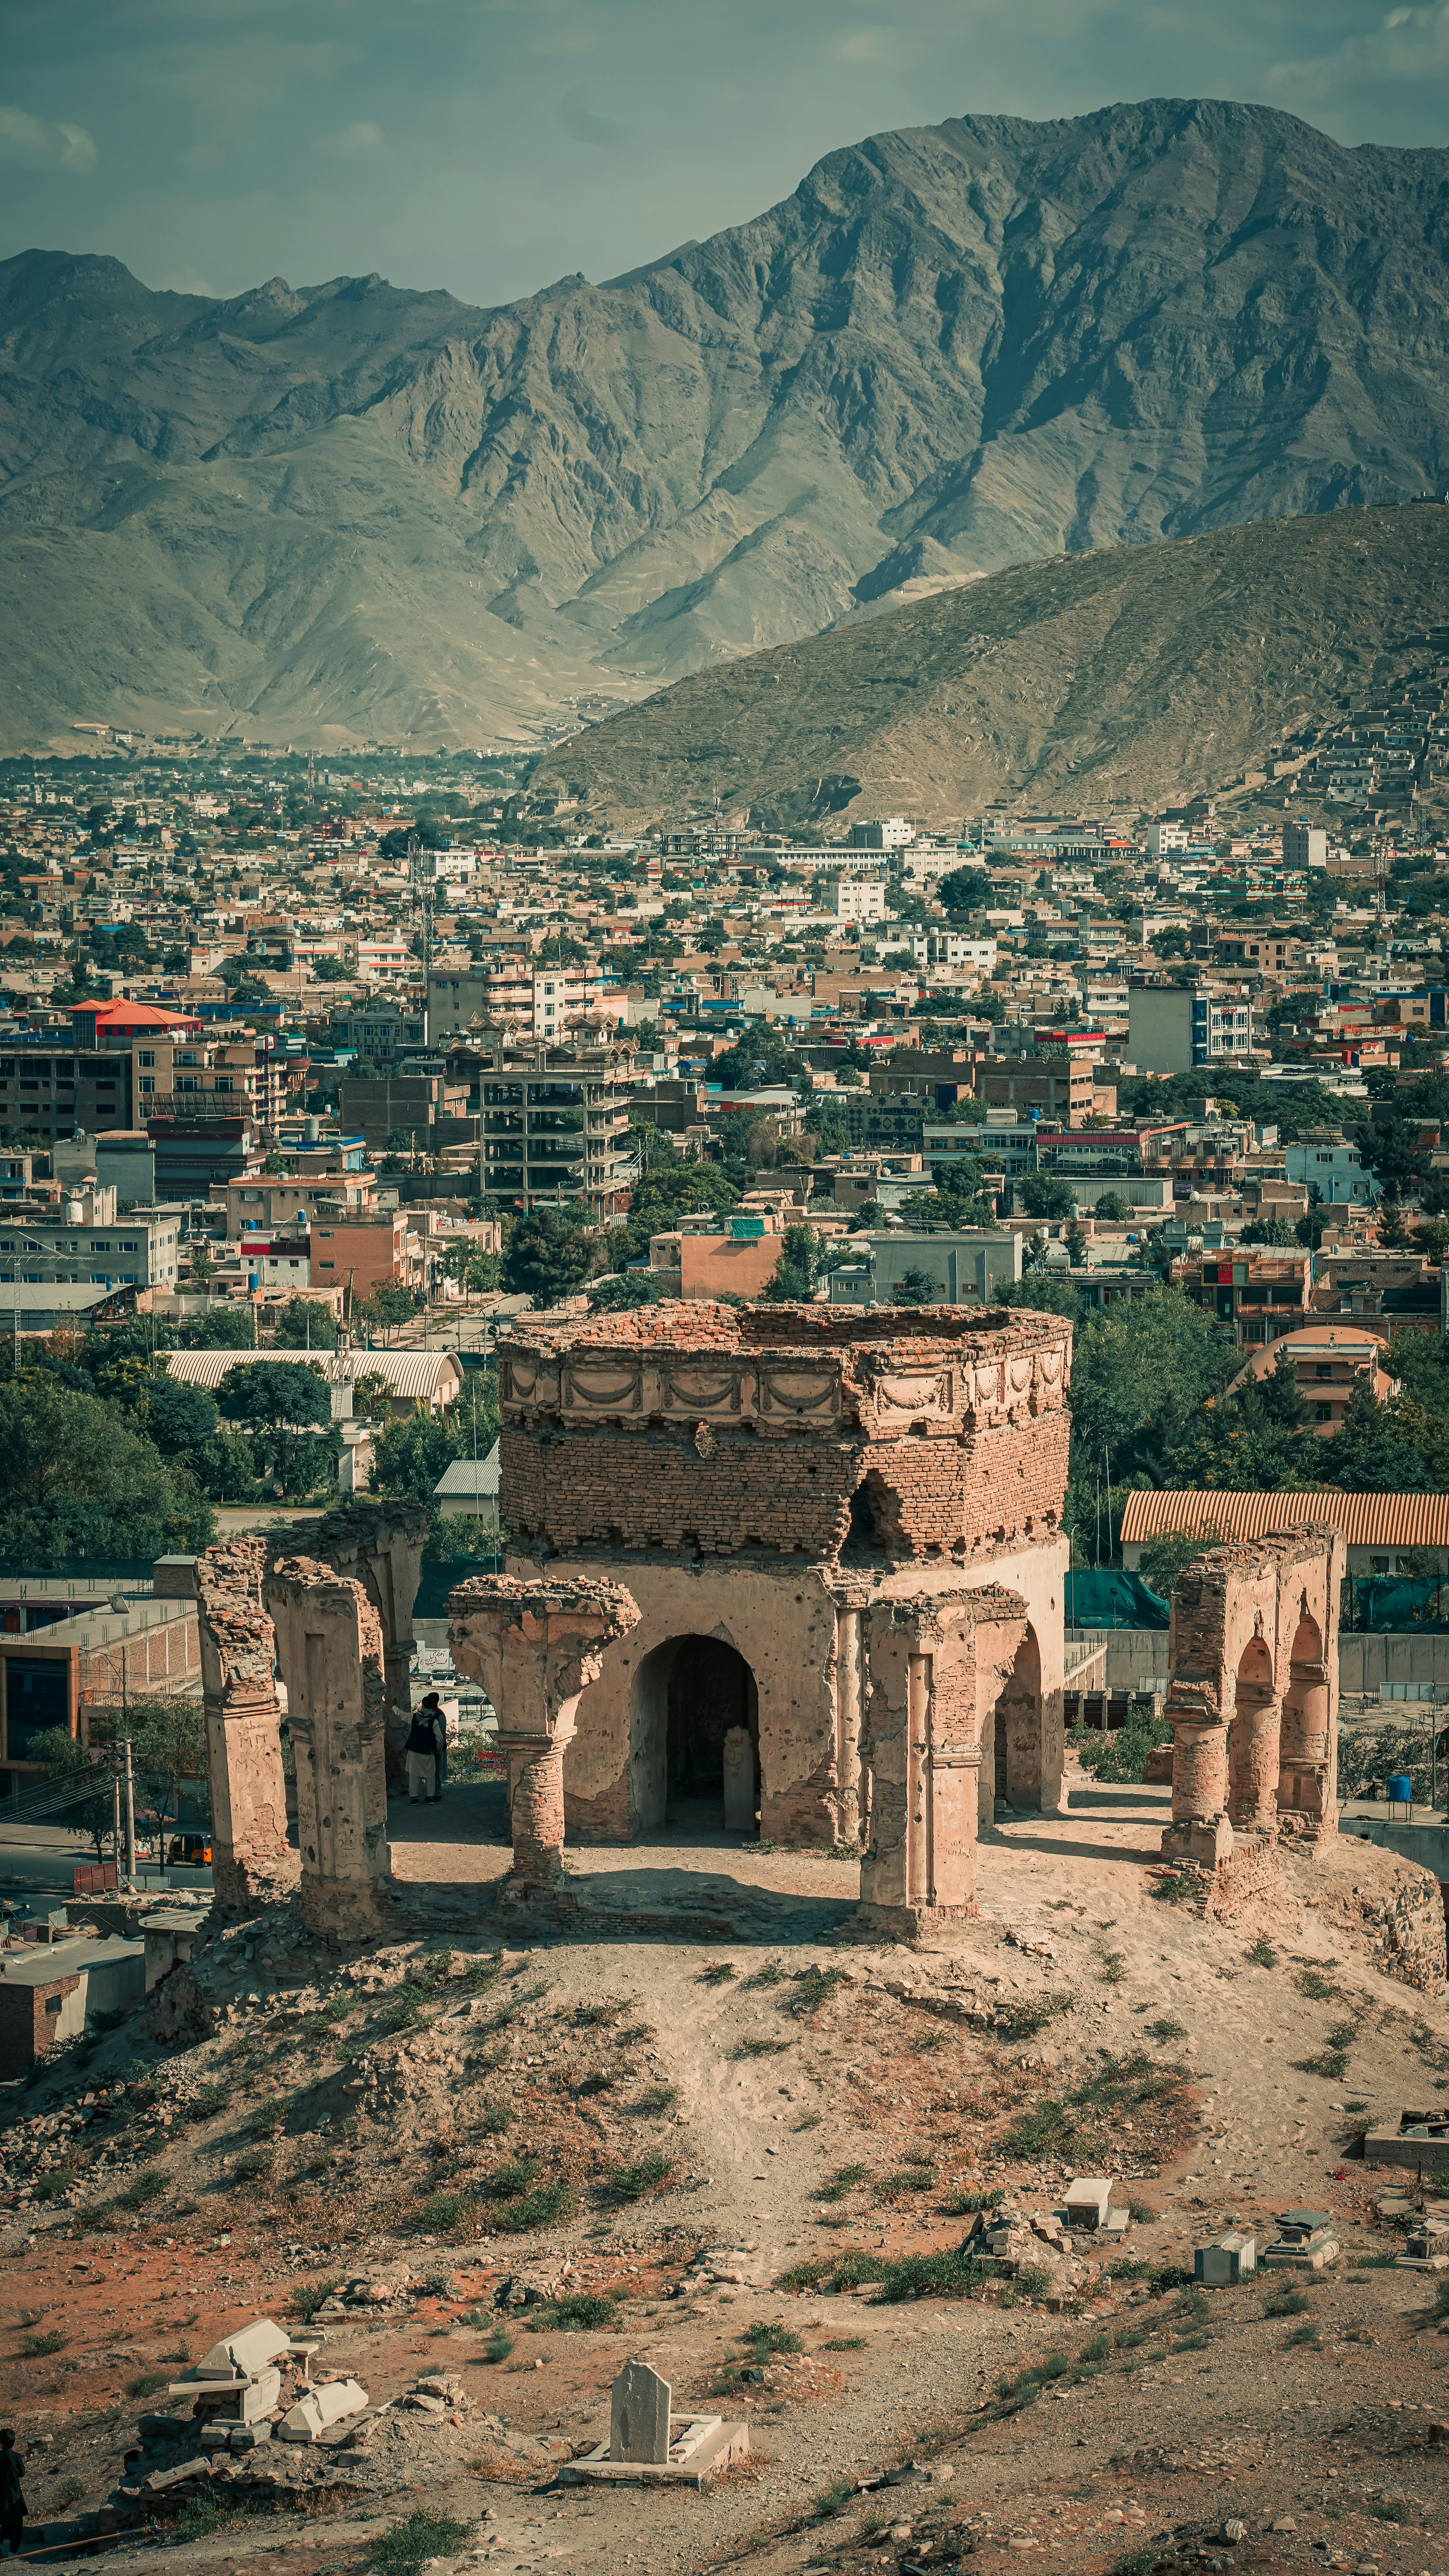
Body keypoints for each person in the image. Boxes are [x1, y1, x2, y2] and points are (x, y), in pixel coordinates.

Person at [405, 1701, 444, 1804]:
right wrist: (436, 1749)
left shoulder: (413, 1717)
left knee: (414, 1775)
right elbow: (440, 1738)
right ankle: (431, 1797)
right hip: (428, 1752)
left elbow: (401, 1715)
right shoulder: (434, 1721)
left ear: (422, 1705)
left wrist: (394, 1707)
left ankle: (415, 1799)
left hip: (415, 1751)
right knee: (430, 1775)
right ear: (432, 1708)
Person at [0, 2428, 25, 2559]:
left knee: (4, 2526)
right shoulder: (16, 2458)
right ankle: (13, 2554)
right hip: (15, 2499)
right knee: (17, 2528)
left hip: (1, 2500)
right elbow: (22, 2473)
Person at [420, 1691, 447, 1795]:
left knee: (437, 1772)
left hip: (438, 1749)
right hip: (432, 1748)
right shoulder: (433, 1714)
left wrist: (438, 1750)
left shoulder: (439, 1716)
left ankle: (437, 1793)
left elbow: (441, 1736)